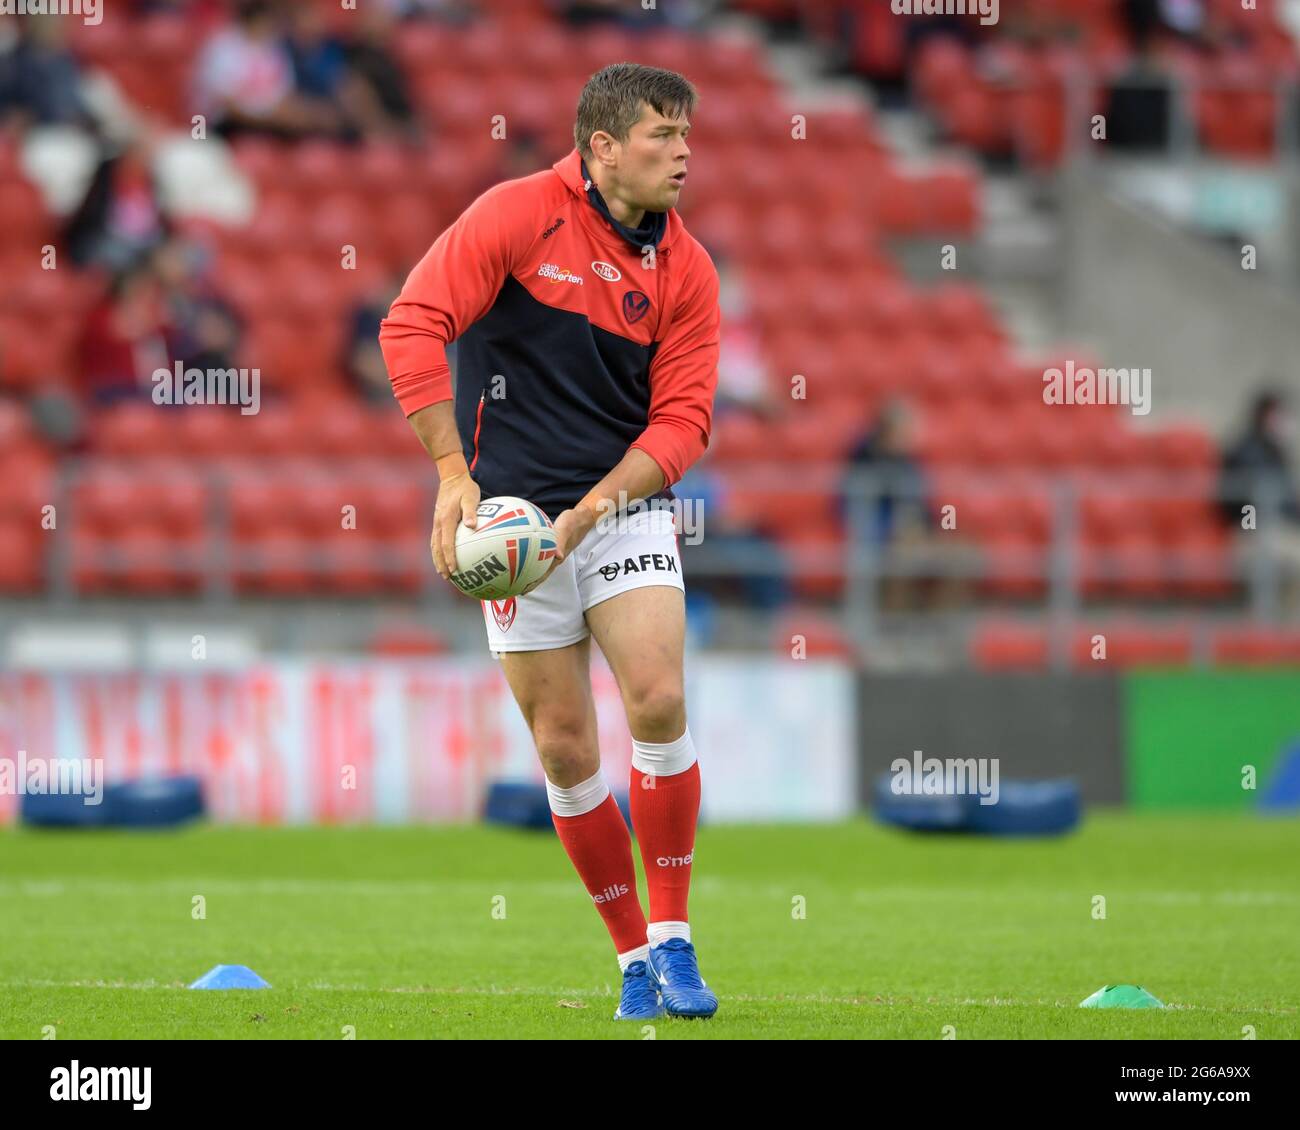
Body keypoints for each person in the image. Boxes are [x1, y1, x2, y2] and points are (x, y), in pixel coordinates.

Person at [380, 64, 720, 1021]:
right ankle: (630, 966)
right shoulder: (516, 215)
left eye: (687, 134)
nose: (683, 152)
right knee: (568, 751)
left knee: (656, 698)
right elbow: (412, 323)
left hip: (618, 511)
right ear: (601, 147)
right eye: (662, 134)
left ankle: (675, 939)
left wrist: (600, 507)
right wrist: (453, 474)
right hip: (511, 529)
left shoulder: (688, 268)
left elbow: (684, 423)